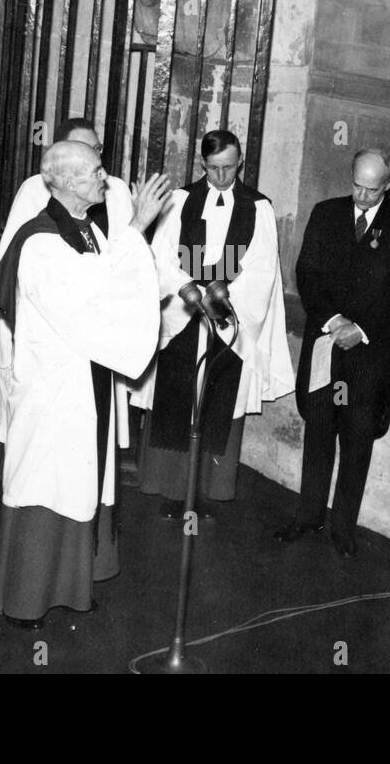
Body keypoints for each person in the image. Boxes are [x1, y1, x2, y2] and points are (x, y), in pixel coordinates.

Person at [0, 139, 168, 629]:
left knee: (76, 480)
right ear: (63, 181)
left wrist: (130, 242)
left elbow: (107, 286)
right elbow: (85, 294)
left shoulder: (85, 229)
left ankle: (70, 588)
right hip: (53, 388)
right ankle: (27, 600)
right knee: (46, 484)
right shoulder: (42, 240)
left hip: (81, 380)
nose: (103, 177)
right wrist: (135, 230)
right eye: (94, 171)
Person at [132, 130, 292, 518]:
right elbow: (160, 257)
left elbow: (261, 271)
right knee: (177, 392)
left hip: (227, 316)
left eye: (230, 167)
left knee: (217, 396)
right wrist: (188, 291)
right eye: (214, 168)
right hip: (184, 312)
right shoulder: (181, 201)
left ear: (241, 163)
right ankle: (171, 490)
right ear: (203, 164)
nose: (222, 176)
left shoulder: (259, 207)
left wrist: (222, 302)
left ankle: (206, 491)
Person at [276, 149, 390, 558]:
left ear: (389, 184)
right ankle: (307, 515)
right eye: (356, 185)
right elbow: (306, 273)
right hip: (326, 342)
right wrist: (334, 321)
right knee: (319, 430)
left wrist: (359, 329)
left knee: (358, 439)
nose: (361, 195)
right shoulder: (325, 214)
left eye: (371, 189)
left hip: (367, 353)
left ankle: (343, 528)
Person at [0, 118, 133, 445]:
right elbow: (14, 254)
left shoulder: (116, 192)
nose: (102, 169)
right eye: (85, 151)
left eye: (97, 149)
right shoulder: (36, 196)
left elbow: (125, 253)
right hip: (52, 329)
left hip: (100, 324)